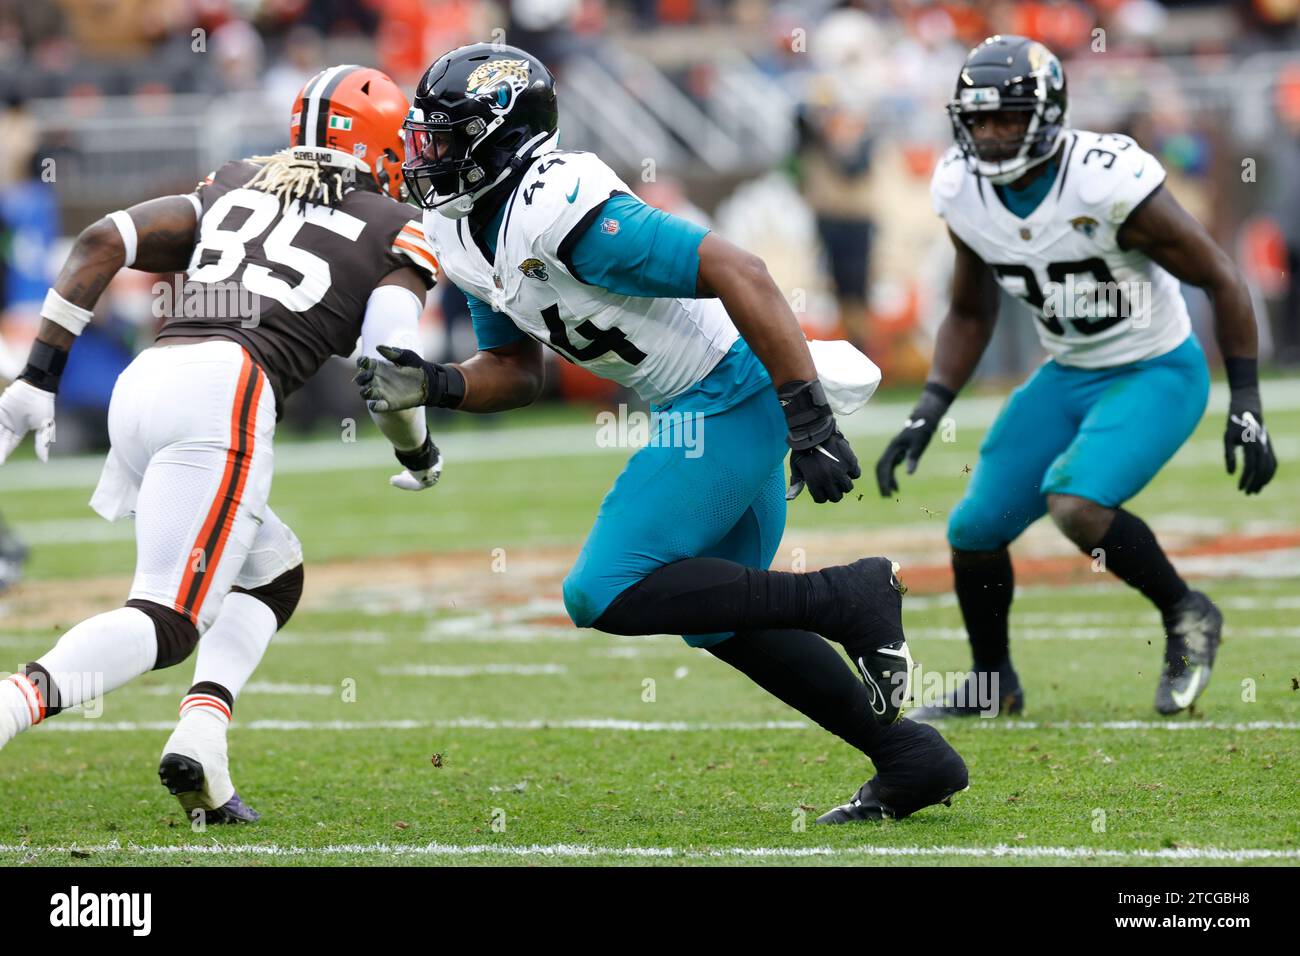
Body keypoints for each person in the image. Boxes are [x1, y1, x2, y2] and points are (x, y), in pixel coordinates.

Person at [356, 44, 968, 822]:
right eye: (426, 136)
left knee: (601, 589)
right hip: (696, 402)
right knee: (715, 615)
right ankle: (909, 758)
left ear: (502, 137)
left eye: (446, 137)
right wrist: (438, 383)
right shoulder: (462, 233)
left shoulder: (560, 206)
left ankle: (848, 596)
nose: (427, 154)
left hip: (731, 387)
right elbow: (515, 370)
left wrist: (805, 416)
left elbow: (739, 270)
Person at [0, 66, 441, 824]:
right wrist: (418, 454)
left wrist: (39, 377)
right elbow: (388, 371)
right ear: (375, 144)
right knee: (167, 619)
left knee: (273, 571)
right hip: (225, 393)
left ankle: (202, 739)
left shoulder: (235, 180)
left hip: (148, 383)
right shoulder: (394, 225)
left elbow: (104, 239)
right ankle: (11, 705)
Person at [877, 36, 1278, 719]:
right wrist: (929, 408)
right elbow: (970, 311)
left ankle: (1188, 612)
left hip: (1155, 367)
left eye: (1008, 117)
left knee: (1077, 504)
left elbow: (1221, 278)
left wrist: (1245, 399)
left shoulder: (1106, 178)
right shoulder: (960, 188)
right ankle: (992, 682)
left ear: (1048, 114)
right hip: (1067, 370)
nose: (992, 134)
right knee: (974, 528)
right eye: (979, 119)